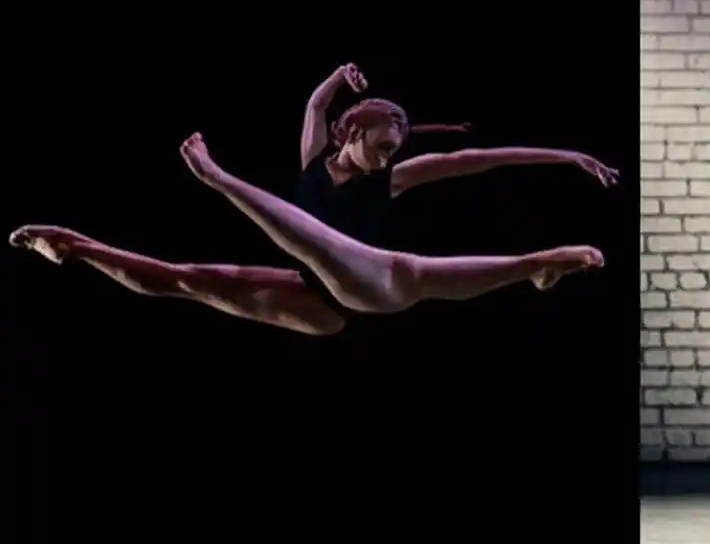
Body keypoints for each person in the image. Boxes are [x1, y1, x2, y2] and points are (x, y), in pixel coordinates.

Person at [9, 63, 618, 336]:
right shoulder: (312, 158)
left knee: (397, 264)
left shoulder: (395, 177)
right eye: (382, 145)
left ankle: (537, 265)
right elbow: (315, 107)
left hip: (372, 290)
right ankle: (73, 246)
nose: (391, 157)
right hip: (313, 299)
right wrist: (337, 76)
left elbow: (475, 160)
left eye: (396, 147)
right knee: (185, 278)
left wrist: (566, 156)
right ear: (350, 136)